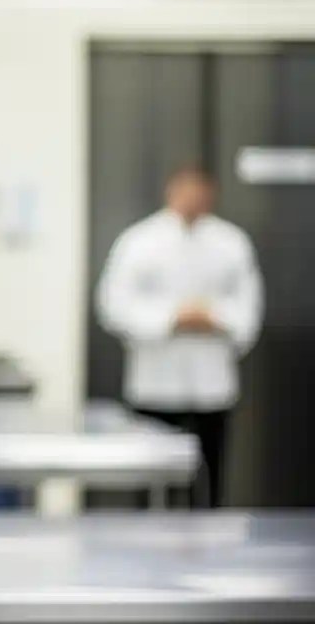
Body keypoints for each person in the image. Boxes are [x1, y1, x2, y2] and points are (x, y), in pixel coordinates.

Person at [97, 167, 263, 508]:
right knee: (151, 476)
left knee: (210, 471)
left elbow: (248, 306)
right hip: (156, 380)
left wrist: (214, 318)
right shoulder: (139, 241)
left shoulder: (231, 242)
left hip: (211, 381)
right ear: (171, 191)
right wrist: (172, 318)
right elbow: (114, 304)